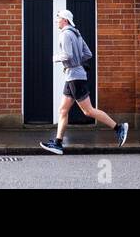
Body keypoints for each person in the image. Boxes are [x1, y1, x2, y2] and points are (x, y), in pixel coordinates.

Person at [39, 9, 128, 154]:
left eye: (58, 19)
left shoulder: (65, 34)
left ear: (65, 20)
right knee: (63, 110)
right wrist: (77, 62)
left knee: (88, 111)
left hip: (75, 77)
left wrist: (55, 58)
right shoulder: (77, 33)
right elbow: (88, 54)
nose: (56, 21)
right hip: (73, 75)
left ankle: (119, 128)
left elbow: (67, 55)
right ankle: (58, 143)